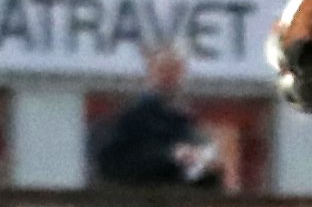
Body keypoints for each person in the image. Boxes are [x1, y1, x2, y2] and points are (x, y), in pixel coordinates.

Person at [87, 47, 227, 190]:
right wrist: (171, 155)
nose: (170, 77)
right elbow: (114, 163)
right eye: (164, 69)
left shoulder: (187, 122)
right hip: (139, 202)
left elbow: (204, 179)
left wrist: (204, 163)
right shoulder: (132, 117)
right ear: (151, 74)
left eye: (176, 70)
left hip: (176, 204)